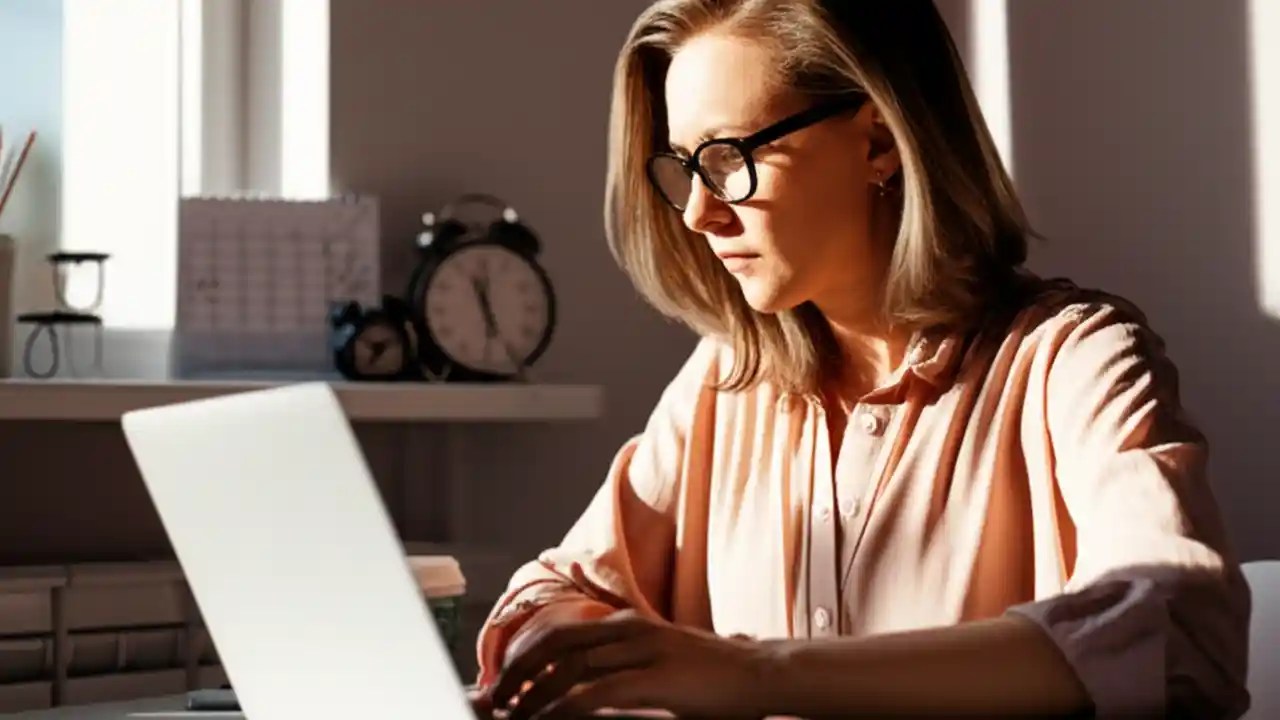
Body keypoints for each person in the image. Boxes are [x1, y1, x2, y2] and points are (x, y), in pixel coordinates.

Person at [470, 1, 1251, 718]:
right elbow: (549, 593)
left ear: (877, 140)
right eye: (684, 166)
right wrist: (596, 653)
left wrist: (754, 674)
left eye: (727, 155)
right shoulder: (726, 380)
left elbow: (1174, 628)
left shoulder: (1074, 360)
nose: (701, 212)